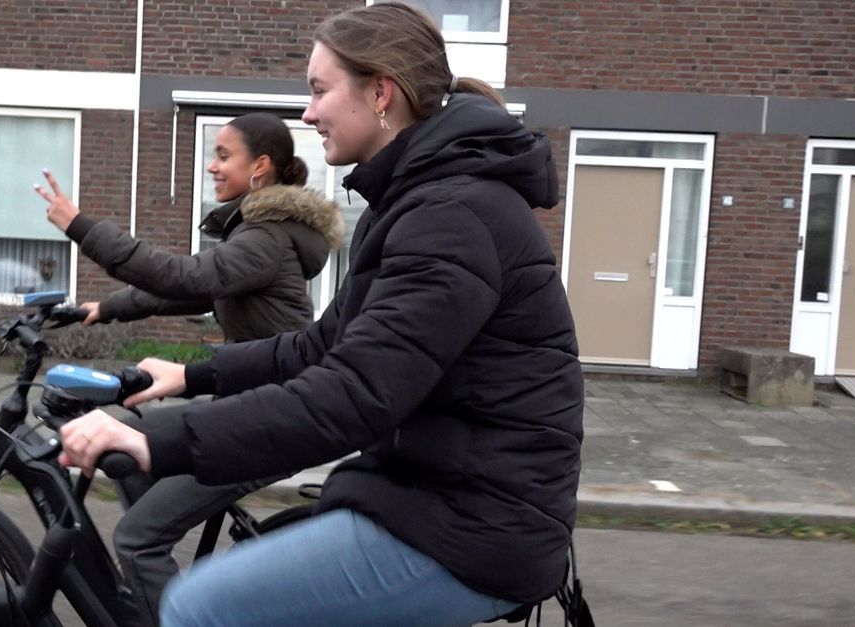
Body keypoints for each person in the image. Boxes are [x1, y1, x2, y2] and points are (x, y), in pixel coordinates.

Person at [53, 3, 584, 625]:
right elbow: (323, 344)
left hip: (475, 526)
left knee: (200, 605)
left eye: (318, 90)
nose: (307, 113)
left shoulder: (450, 216)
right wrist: (193, 375)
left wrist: (151, 438)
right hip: (436, 495)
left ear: (381, 92)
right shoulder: (416, 201)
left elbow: (354, 393)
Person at [35, 112, 344, 626]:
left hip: (273, 418)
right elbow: (180, 290)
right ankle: (160, 588)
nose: (211, 167)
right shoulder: (264, 232)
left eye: (224, 156)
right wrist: (105, 308)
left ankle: (165, 598)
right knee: (128, 445)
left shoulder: (266, 237)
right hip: (250, 403)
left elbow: (187, 277)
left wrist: (81, 226)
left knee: (135, 540)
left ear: (261, 167)